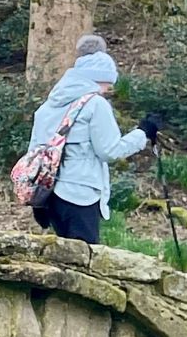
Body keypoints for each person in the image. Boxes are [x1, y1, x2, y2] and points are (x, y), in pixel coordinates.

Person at [24, 35, 151, 246]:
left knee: (64, 259)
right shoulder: (95, 104)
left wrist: (36, 202)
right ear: (97, 79)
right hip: (80, 193)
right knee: (85, 261)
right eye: (107, 85)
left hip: (48, 195)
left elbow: (33, 154)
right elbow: (109, 151)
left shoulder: (48, 106)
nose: (107, 90)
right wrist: (143, 133)